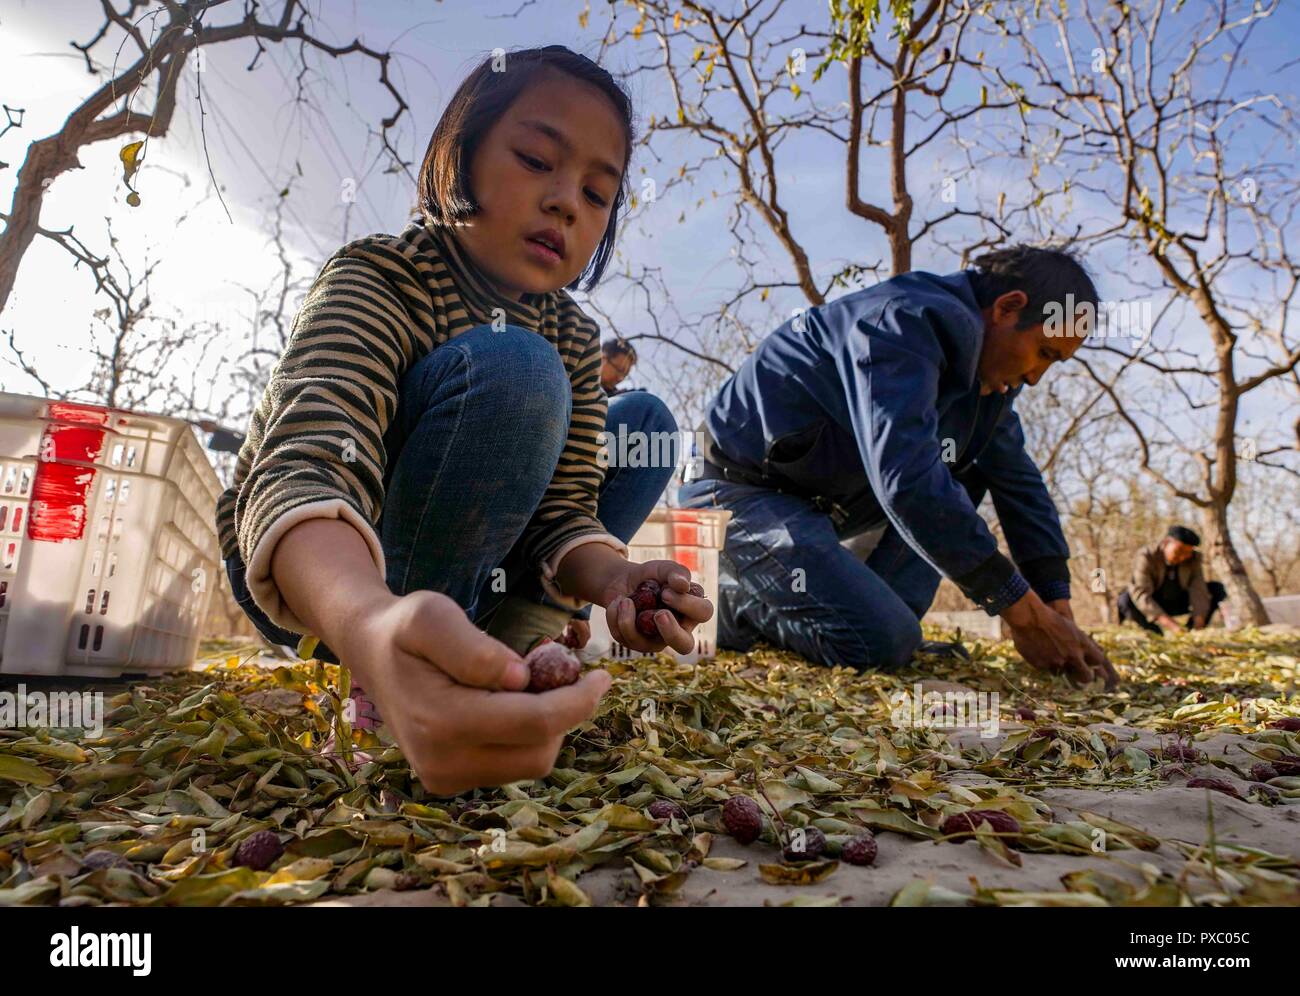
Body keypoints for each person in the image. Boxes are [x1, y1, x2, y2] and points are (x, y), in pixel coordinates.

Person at [216, 46, 712, 796]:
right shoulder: (380, 277)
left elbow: (564, 516)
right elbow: (306, 470)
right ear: (460, 155)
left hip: (484, 566)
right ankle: (393, 676)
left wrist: (619, 581)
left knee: (643, 422)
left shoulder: (575, 337)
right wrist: (371, 624)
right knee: (516, 369)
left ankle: (500, 651)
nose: (566, 202)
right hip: (331, 587)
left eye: (596, 193)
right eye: (535, 159)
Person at [679, 245, 1118, 688]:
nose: (1037, 377)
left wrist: (1057, 606)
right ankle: (726, 608)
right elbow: (906, 479)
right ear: (1008, 308)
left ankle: (887, 618)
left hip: (818, 504)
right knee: (877, 643)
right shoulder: (901, 321)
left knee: (967, 471)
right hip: (733, 492)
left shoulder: (986, 390)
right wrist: (1023, 614)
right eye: (1044, 352)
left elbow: (1019, 483)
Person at [1117, 526, 1226, 634]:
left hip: (1178, 601)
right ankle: (1155, 633)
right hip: (1155, 602)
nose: (1183, 557)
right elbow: (1141, 594)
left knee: (1216, 589)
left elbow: (1198, 590)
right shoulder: (1146, 556)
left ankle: (1192, 629)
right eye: (1179, 551)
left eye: (1187, 553)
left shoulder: (1194, 559)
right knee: (1125, 599)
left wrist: (1199, 622)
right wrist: (1172, 626)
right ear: (1165, 543)